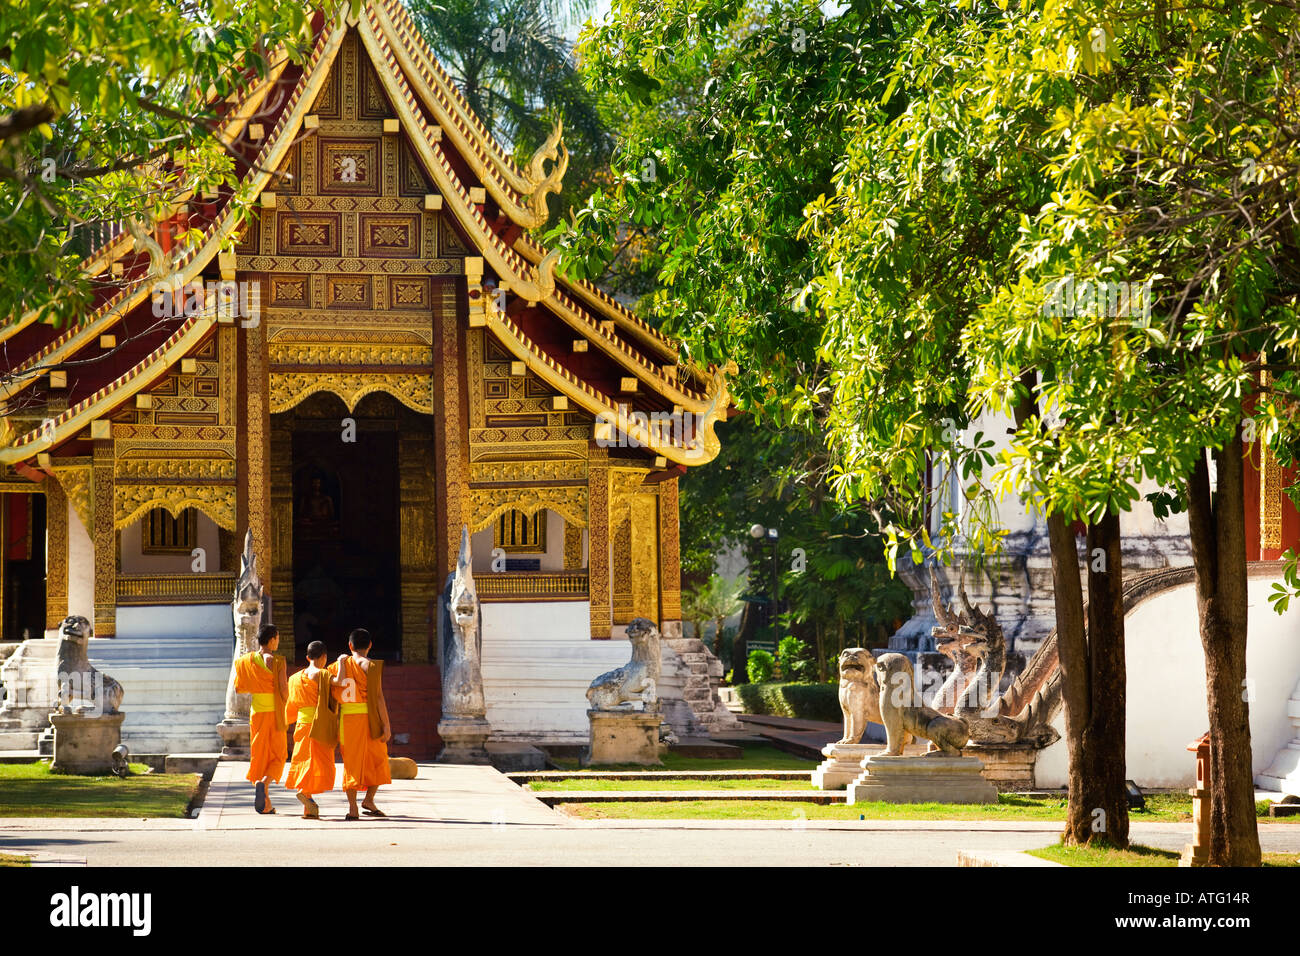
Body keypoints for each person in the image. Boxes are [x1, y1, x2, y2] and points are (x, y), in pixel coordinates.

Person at [329, 628, 392, 820]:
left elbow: (328, 693)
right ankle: (369, 798)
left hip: (347, 720)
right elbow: (379, 698)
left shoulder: (337, 666)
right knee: (378, 759)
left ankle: (354, 807)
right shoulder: (370, 666)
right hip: (370, 718)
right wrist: (387, 725)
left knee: (352, 762)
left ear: (350, 646)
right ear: (370, 645)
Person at [233, 623, 287, 813]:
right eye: (278, 638)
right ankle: (263, 783)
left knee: (260, 754)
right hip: (275, 713)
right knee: (279, 755)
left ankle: (266, 804)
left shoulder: (246, 660)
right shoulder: (276, 661)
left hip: (256, 713)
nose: (278, 641)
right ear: (272, 639)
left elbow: (240, 687)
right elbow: (283, 691)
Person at [284, 641, 337, 819]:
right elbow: (335, 693)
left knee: (304, 759)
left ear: (307, 657)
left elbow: (291, 705)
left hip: (301, 724)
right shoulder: (323, 674)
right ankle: (304, 791)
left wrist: (287, 721)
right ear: (324, 657)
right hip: (318, 723)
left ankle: (309, 808)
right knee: (317, 762)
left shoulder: (294, 678)